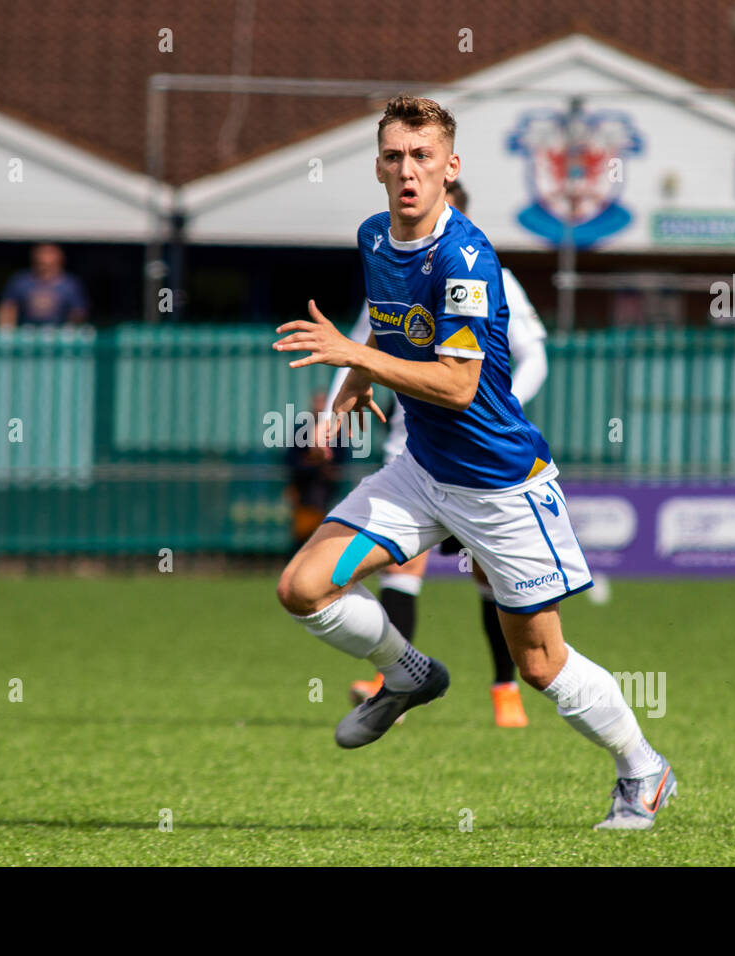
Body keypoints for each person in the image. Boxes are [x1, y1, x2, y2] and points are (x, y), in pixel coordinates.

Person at [273, 95, 674, 829]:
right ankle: (409, 673)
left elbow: (458, 386)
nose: (408, 172)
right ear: (378, 166)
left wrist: (355, 356)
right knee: (304, 587)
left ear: (450, 168)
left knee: (541, 664)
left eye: (423, 157)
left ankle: (642, 770)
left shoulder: (466, 257)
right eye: (394, 157)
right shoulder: (373, 237)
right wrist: (360, 381)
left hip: (498, 484)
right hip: (422, 471)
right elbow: (392, 327)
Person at [328, 178, 548, 728]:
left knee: (489, 578)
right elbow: (363, 342)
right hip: (411, 447)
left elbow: (533, 356)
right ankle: (394, 681)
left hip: (475, 458)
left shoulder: (486, 271)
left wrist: (497, 404)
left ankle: (504, 689)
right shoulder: (391, 264)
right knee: (398, 568)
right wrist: (341, 396)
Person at [285, 390, 351, 556]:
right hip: (305, 485)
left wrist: (329, 466)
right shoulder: (302, 429)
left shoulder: (337, 430)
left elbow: (342, 458)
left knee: (326, 525)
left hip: (327, 486)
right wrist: (312, 462)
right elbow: (291, 458)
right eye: (318, 403)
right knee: (303, 528)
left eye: (324, 403)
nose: (320, 407)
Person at [0, 243, 89, 329]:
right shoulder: (21, 281)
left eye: (50, 265)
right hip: (27, 331)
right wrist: (7, 332)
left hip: (58, 332)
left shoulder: (70, 284)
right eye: (41, 264)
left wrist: (69, 331)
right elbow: (7, 308)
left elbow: (78, 312)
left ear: (60, 261)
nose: (46, 269)